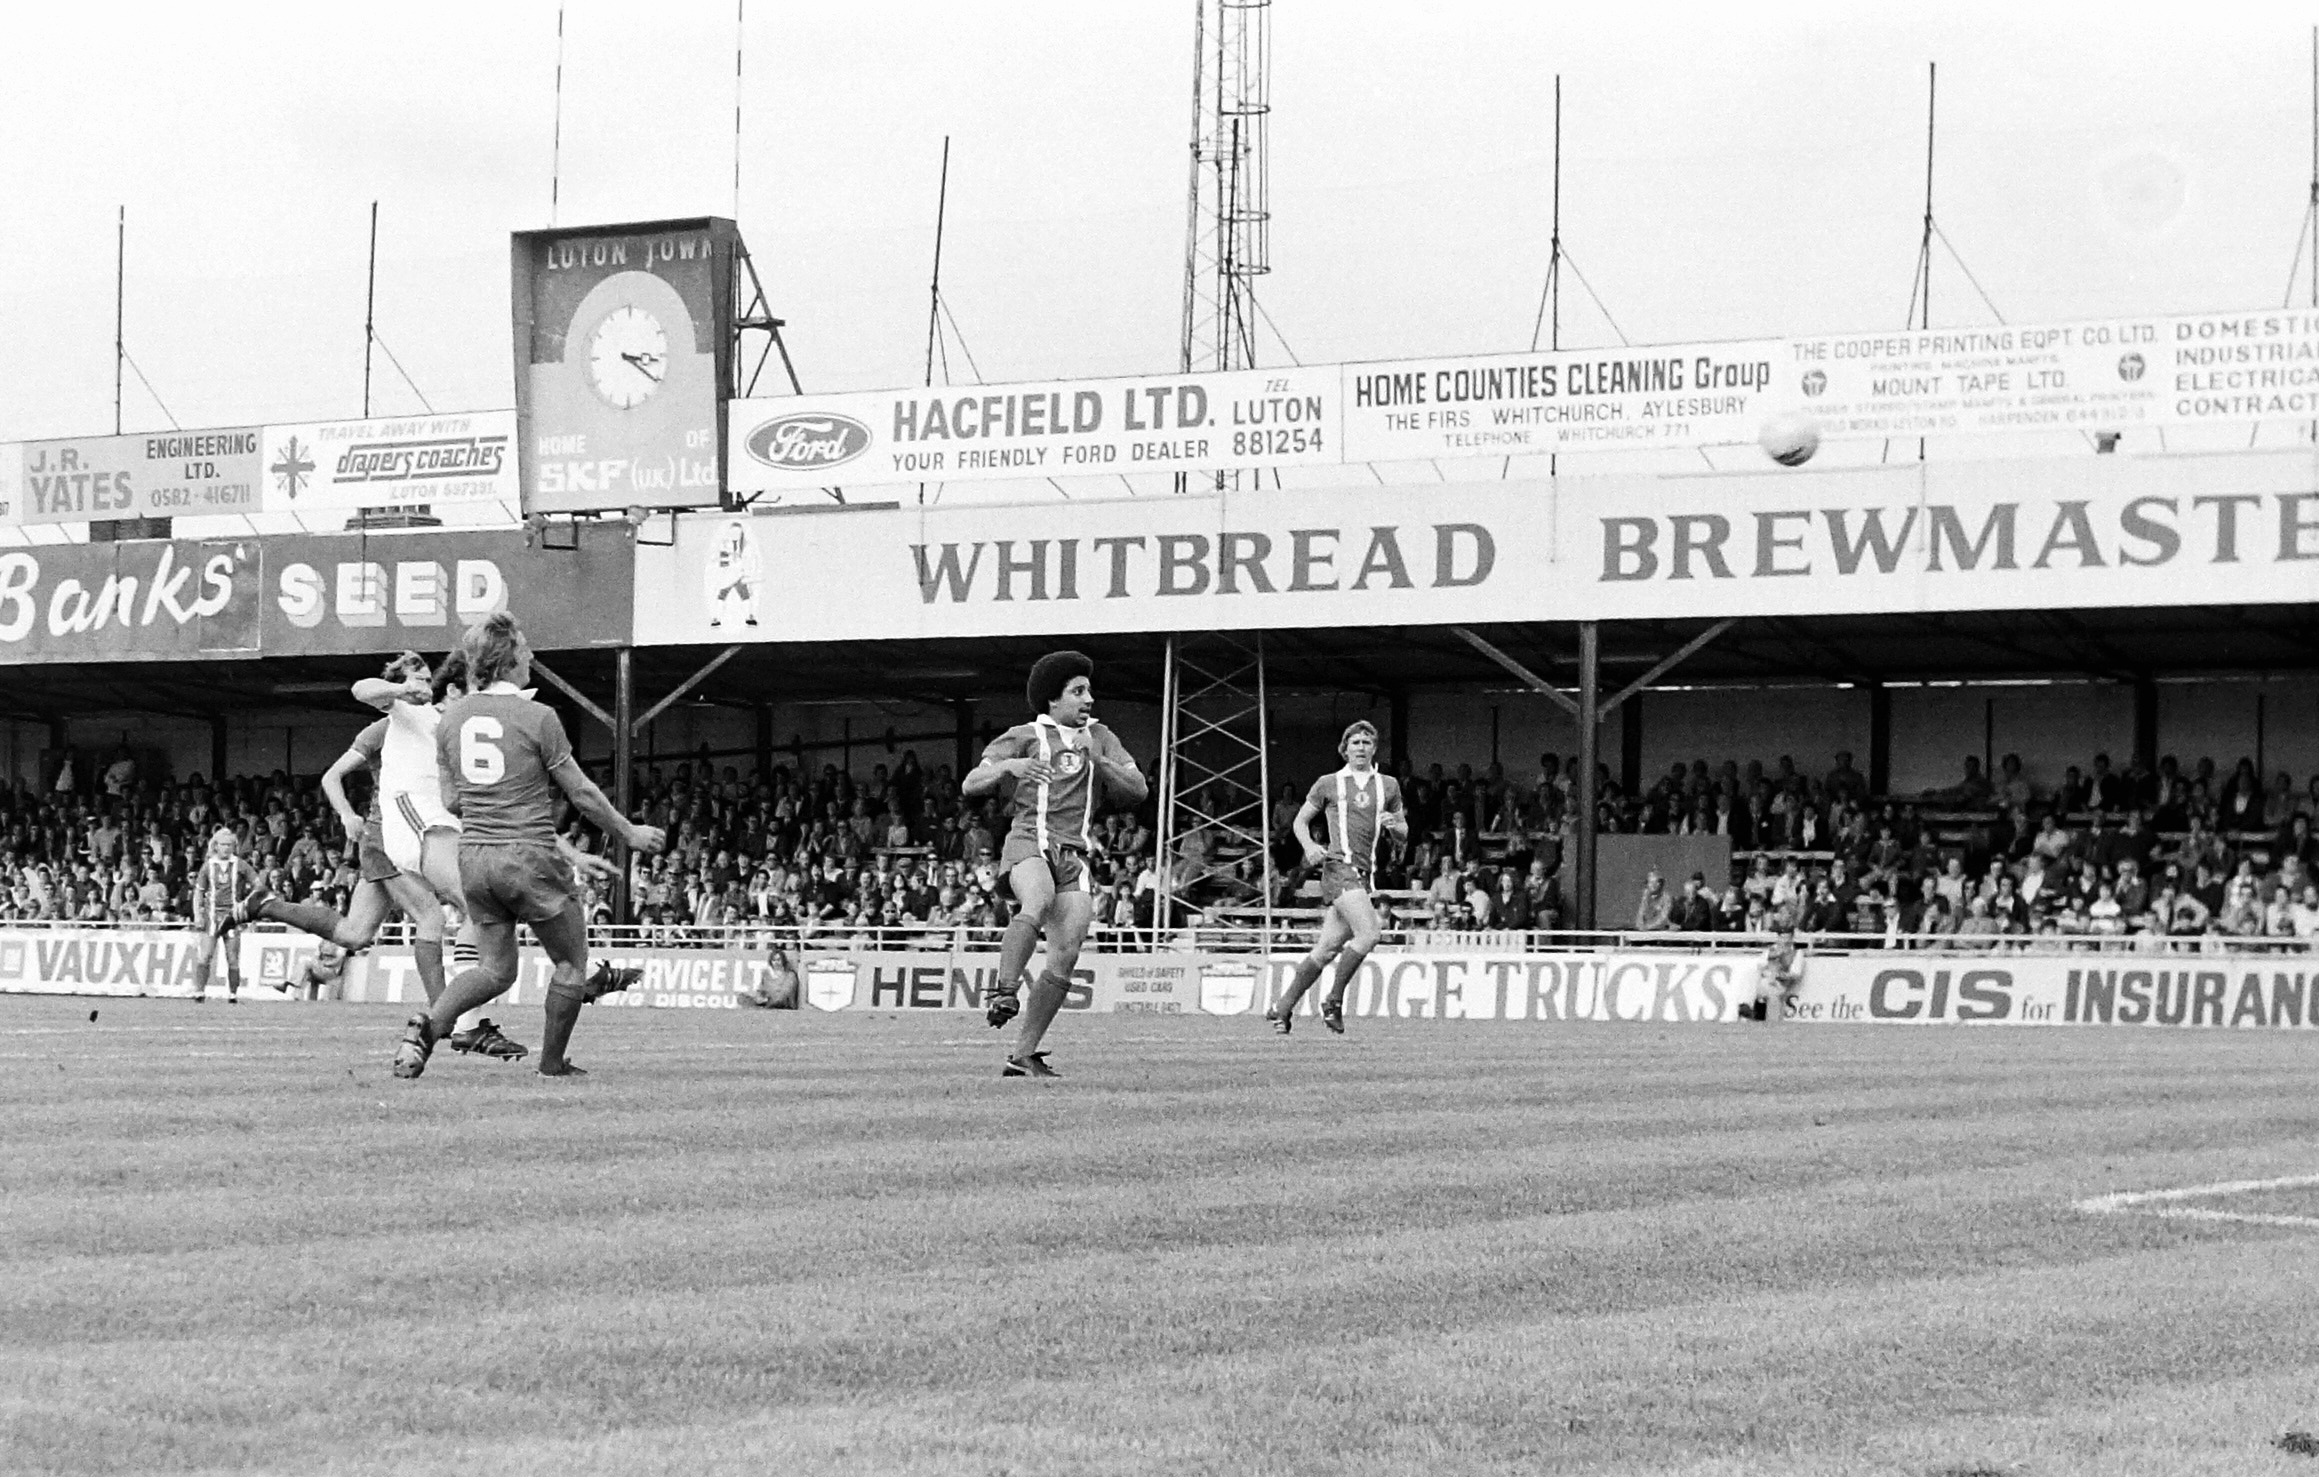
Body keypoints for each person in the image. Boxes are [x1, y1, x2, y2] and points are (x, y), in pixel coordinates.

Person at [393, 612, 667, 1080]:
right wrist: (630, 833)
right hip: (529, 855)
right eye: (524, 648)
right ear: (507, 659)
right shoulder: (539, 717)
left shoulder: (451, 719)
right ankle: (551, 1064)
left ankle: (428, 1027)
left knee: (496, 971)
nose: (532, 655)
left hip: (475, 858)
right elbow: (581, 792)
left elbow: (453, 800)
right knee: (571, 962)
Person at [960, 650, 1147, 1078]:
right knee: (1038, 898)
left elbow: (1138, 790)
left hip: (1073, 854)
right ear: (1052, 699)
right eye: (1078, 692)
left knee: (1067, 951)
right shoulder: (1023, 736)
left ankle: (1023, 1055)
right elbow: (972, 782)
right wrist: (1010, 766)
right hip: (1029, 841)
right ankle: (1005, 991)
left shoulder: (1101, 736)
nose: (1088, 699)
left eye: (1089, 691)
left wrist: (1099, 760)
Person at [1265, 721, 1407, 1036]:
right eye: (1355, 742)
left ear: (1374, 748)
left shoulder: (1388, 785)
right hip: (1339, 869)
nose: (1361, 747)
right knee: (1369, 934)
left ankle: (1282, 1007)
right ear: (1345, 749)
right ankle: (1333, 1000)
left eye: (1366, 742)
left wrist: (1394, 826)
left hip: (1364, 876)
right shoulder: (1328, 783)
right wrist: (1309, 846)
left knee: (1327, 949)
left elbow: (1403, 833)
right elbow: (1300, 822)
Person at [192, 828, 261, 1003]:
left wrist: (248, 907)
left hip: (232, 918)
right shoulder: (208, 866)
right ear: (216, 845)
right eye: (223, 844)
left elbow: (258, 885)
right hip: (212, 917)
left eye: (230, 845)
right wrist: (197, 914)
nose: (226, 848)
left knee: (232, 958)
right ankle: (199, 992)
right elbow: (198, 892)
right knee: (205, 956)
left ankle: (233, 994)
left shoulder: (240, 864)